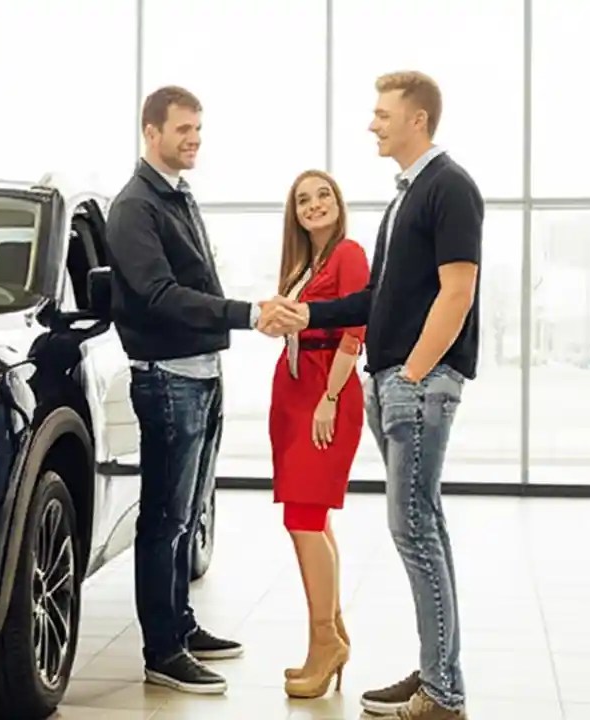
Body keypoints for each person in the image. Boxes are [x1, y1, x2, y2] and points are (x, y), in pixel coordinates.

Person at [262, 70, 482, 720]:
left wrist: (411, 373)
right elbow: (374, 300)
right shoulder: (405, 198)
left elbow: (458, 291)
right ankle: (436, 674)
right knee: (422, 531)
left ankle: (443, 693)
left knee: (414, 531)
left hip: (417, 382)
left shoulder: (450, 187)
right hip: (394, 383)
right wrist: (310, 318)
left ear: (417, 118)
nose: (373, 123)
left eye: (383, 113)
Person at [103, 84, 261, 695]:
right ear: (151, 132)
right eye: (182, 130)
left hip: (201, 375)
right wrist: (246, 313)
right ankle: (162, 651)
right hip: (169, 382)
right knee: (165, 520)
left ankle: (183, 626)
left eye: (198, 129)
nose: (193, 139)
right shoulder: (135, 207)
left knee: (188, 513)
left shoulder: (177, 196)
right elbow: (158, 295)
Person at [267, 170, 368, 700]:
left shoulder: (349, 254)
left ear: (337, 201)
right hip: (294, 389)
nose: (314, 205)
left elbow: (356, 329)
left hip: (326, 391)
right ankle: (331, 631)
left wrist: (329, 398)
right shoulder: (305, 265)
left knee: (304, 517)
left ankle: (324, 642)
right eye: (303, 200)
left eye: (322, 195)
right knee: (308, 516)